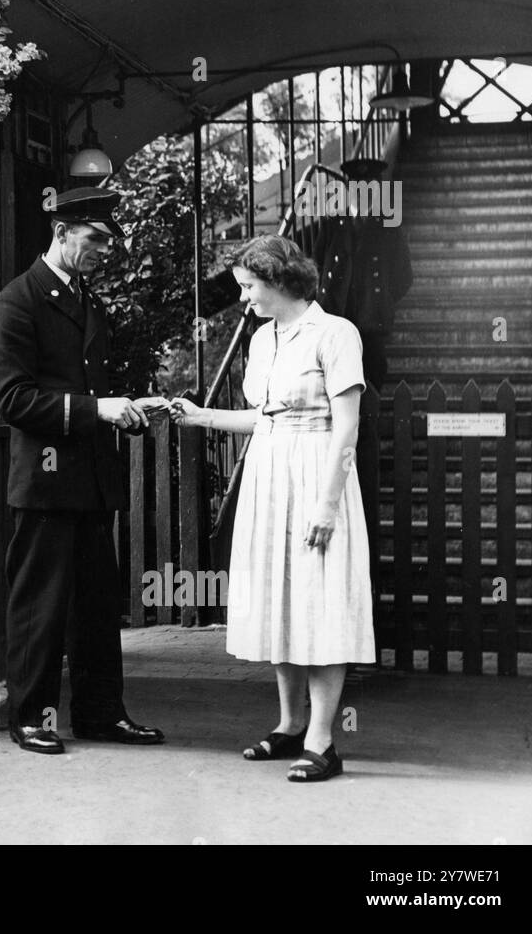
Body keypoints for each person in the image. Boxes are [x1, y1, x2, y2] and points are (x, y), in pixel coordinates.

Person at [170, 234, 373, 782]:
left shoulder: (335, 334)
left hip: (318, 476)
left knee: (323, 602)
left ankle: (324, 741)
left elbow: (347, 426)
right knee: (284, 598)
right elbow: (264, 418)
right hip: (270, 476)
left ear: (279, 280)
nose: (245, 299)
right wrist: (199, 416)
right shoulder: (263, 340)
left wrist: (327, 505)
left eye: (249, 287)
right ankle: (288, 725)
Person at [0, 185, 168, 755]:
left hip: (89, 480)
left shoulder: (86, 301)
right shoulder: (17, 302)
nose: (102, 251)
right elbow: (12, 401)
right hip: (44, 484)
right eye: (94, 240)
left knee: (95, 609)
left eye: (108, 243)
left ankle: (99, 715)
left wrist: (125, 413)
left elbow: (88, 393)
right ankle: (33, 718)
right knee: (40, 606)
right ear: (61, 233)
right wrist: (99, 410)